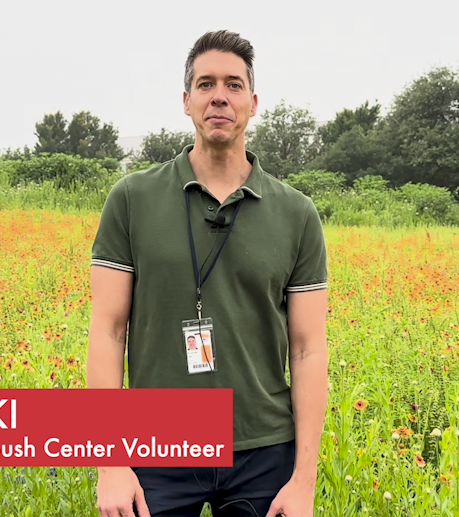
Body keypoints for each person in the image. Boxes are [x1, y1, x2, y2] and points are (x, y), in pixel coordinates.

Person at [87, 30, 329, 517]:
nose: (220, 95)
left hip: (264, 450)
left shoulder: (296, 213)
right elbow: (108, 332)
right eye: (206, 83)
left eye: (234, 85)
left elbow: (308, 349)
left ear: (253, 102)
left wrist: (304, 478)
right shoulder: (132, 199)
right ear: (186, 100)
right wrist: (109, 462)